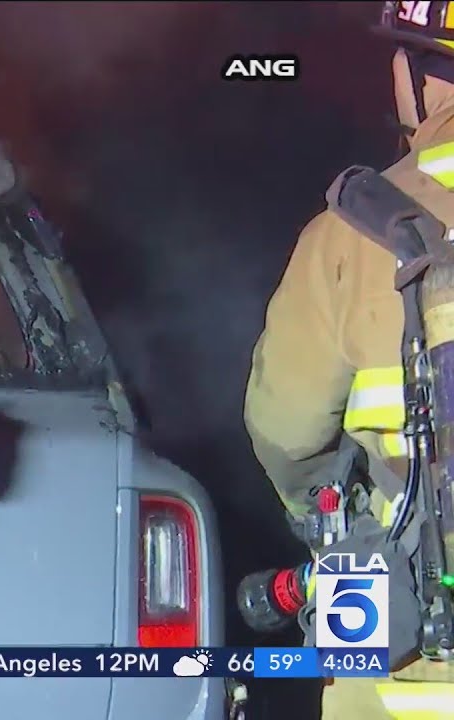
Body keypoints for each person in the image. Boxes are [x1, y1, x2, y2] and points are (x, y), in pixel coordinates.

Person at [244, 2, 454, 717]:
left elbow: (286, 432)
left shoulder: (353, 234)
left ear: (420, 73)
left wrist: (341, 523)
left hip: (405, 673)